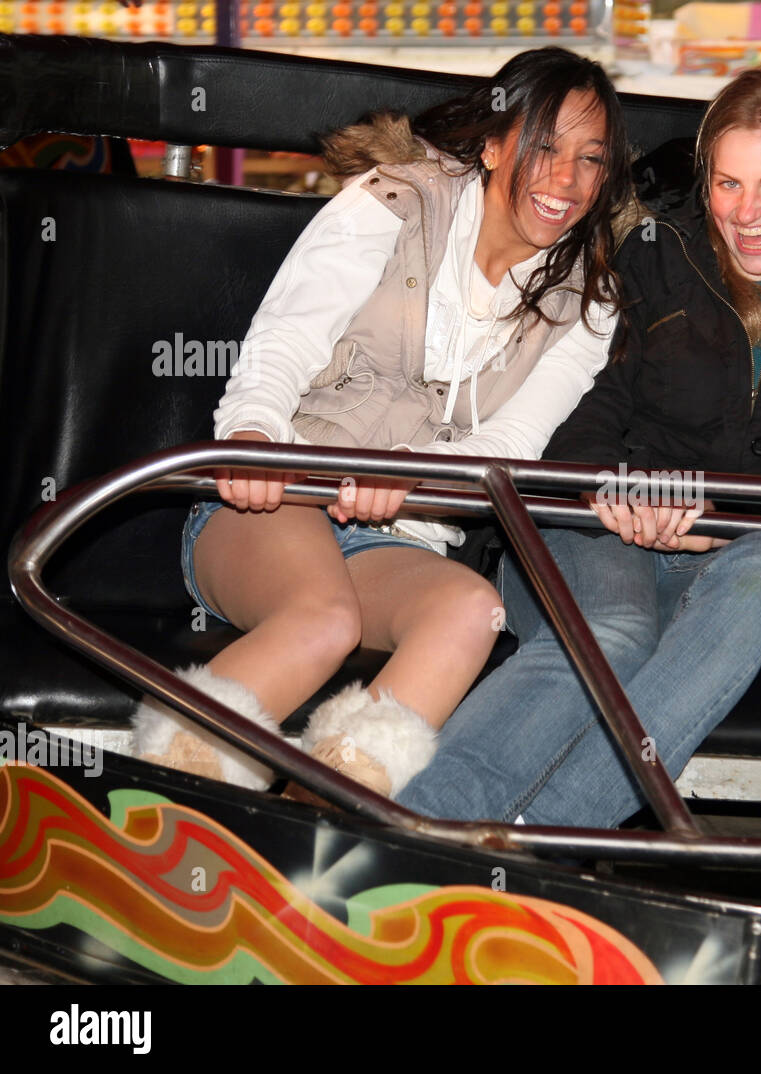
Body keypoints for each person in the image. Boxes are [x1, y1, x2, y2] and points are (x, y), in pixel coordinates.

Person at [396, 67, 761, 829]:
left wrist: (713, 516)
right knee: (616, 631)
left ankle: (545, 848)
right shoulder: (651, 252)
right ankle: (419, 825)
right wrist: (618, 492)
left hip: (742, 549)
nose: (749, 213)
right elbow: (586, 408)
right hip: (606, 531)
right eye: (729, 185)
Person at [132, 47, 635, 798]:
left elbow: (511, 448)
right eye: (544, 146)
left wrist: (409, 477)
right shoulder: (393, 200)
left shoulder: (589, 304)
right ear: (494, 143)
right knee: (322, 619)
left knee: (474, 610)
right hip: (281, 491)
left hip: (398, 536)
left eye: (589, 159)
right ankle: (161, 806)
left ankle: (327, 831)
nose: (565, 179)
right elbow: (283, 343)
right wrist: (252, 441)